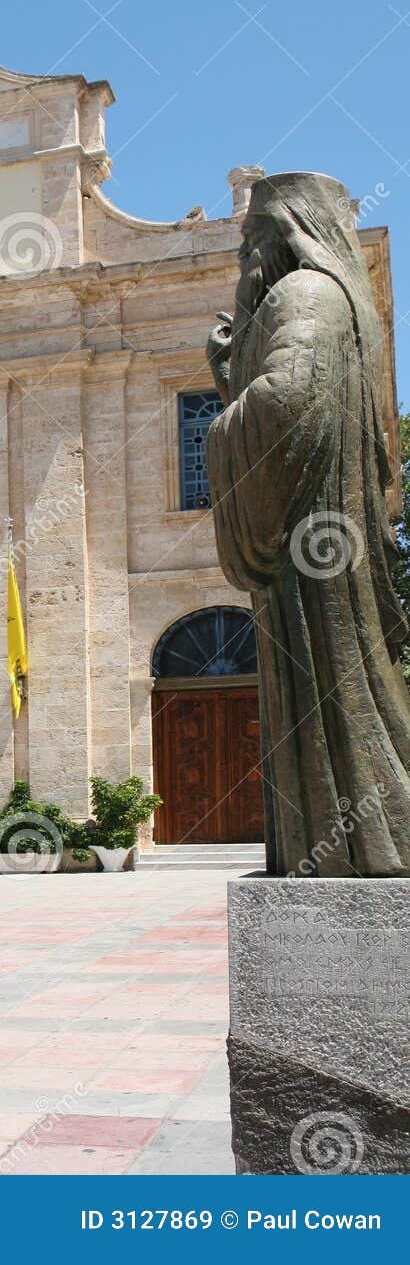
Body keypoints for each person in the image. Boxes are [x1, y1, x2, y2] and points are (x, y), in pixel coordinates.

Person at [206, 172, 410, 876]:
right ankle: (343, 842)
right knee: (319, 687)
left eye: (250, 239)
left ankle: (363, 843)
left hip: (309, 538)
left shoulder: (305, 293)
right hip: (310, 531)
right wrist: (230, 375)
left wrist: (217, 433)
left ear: (284, 233)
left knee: (331, 682)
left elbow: (287, 399)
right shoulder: (317, 296)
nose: (243, 256)